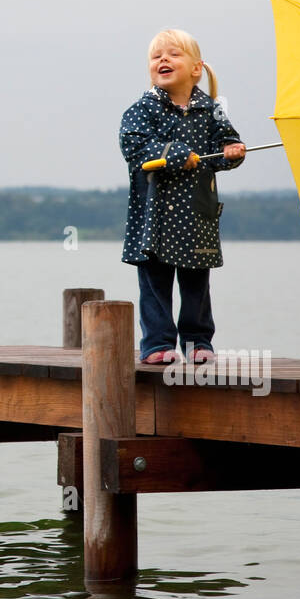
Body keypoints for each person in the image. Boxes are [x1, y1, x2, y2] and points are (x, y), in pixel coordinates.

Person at [118, 29, 246, 364]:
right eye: (156, 56)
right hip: (155, 217)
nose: (163, 59)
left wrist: (231, 152)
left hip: (196, 215)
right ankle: (158, 344)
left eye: (173, 54)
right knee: (155, 284)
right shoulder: (142, 110)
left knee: (196, 285)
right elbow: (135, 148)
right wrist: (174, 153)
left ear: (196, 69)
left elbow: (223, 146)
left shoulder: (211, 109)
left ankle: (197, 341)